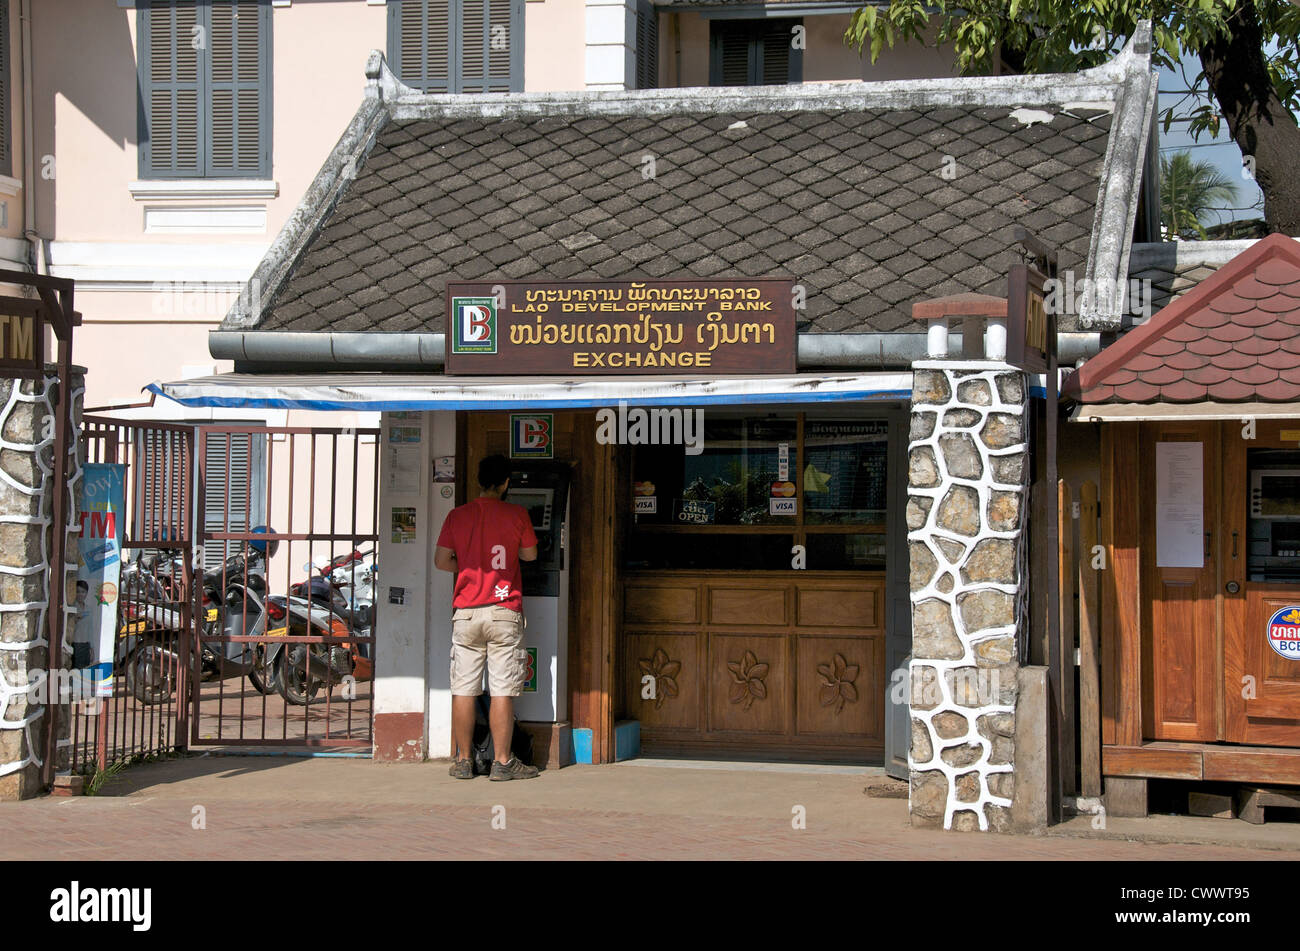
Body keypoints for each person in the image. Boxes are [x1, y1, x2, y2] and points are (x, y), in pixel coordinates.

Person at [434, 454, 540, 781]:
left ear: (479, 480)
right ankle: (503, 762)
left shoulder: (457, 516)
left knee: (464, 688)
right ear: (506, 482)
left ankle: (464, 760)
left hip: (466, 613)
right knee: (501, 690)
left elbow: (441, 561)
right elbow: (531, 555)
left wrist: (466, 569)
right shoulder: (517, 514)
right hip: (503, 610)